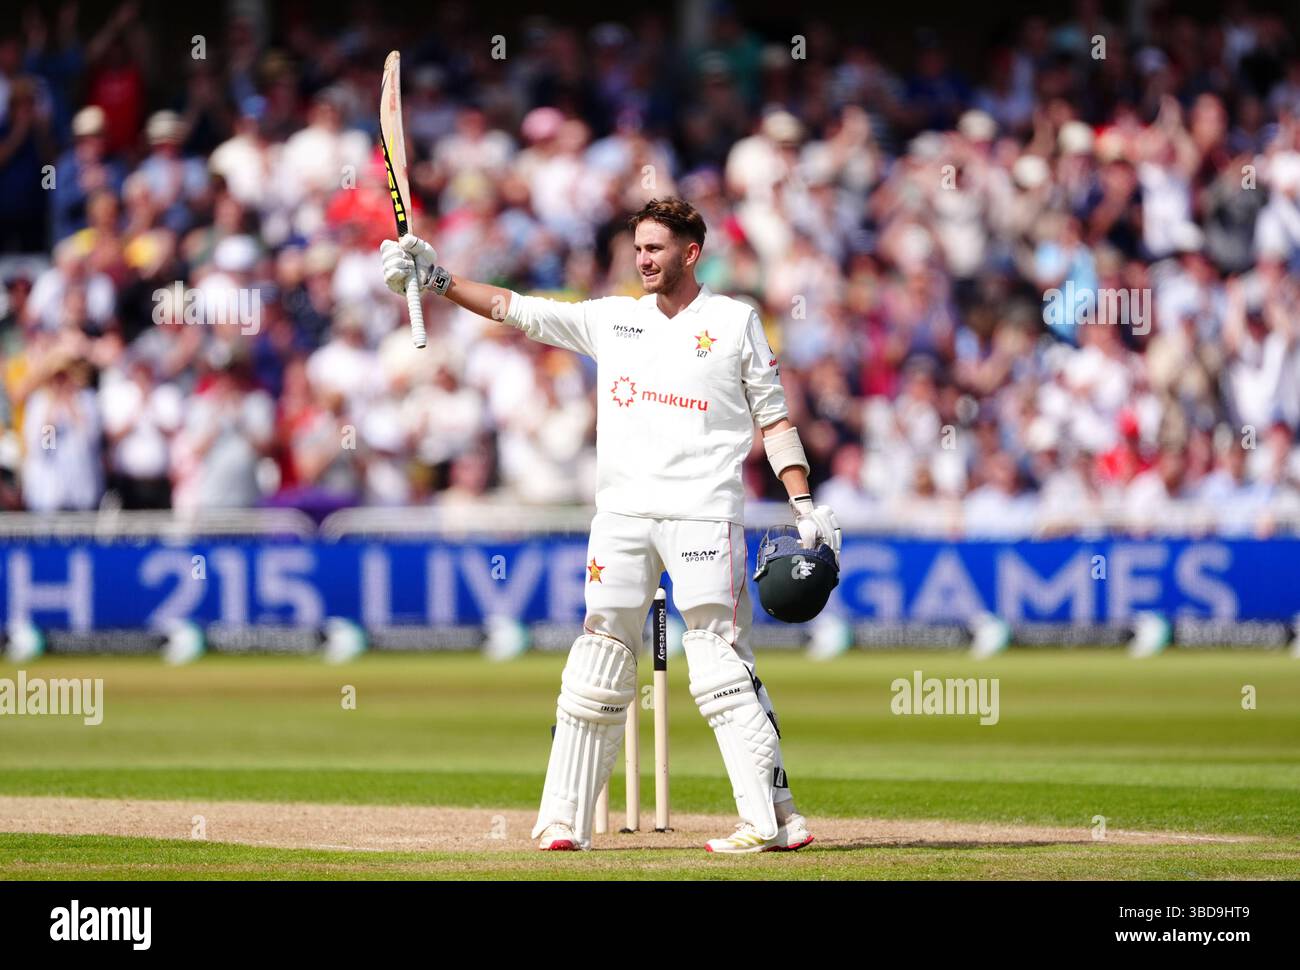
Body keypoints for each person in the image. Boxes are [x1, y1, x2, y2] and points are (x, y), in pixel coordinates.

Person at [381, 197, 840, 853]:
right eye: (638, 247)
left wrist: (801, 503)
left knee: (716, 658)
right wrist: (439, 279)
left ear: (690, 252)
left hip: (702, 512)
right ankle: (565, 820)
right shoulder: (613, 320)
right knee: (598, 655)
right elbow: (518, 309)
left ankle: (766, 822)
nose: (643, 259)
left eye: (656, 248)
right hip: (621, 514)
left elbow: (774, 418)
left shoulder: (736, 321)